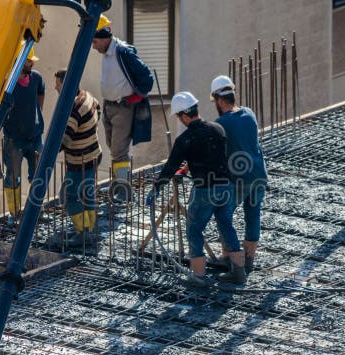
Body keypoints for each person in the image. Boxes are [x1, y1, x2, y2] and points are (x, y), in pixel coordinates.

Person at [148, 92, 245, 286]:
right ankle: (239, 273)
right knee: (226, 225)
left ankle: (198, 276)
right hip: (227, 187)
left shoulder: (185, 139)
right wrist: (188, 167)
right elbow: (212, 155)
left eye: (178, 117)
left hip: (205, 190)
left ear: (183, 115)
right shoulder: (218, 129)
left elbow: (170, 167)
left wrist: (157, 188)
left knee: (194, 230)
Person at [92, 14, 154, 202]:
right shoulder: (108, 52)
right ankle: (120, 184)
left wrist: (135, 97)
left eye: (95, 42)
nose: (93, 47)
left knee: (119, 150)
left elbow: (147, 78)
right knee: (115, 148)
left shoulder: (123, 52)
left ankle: (123, 191)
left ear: (104, 38)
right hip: (110, 106)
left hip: (122, 107)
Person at [210, 75, 268, 274]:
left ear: (219, 100)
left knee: (222, 213)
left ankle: (230, 258)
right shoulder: (249, 113)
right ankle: (249, 259)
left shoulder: (221, 123)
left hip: (240, 179)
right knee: (253, 213)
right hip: (259, 173)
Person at [52, 69, 102, 248]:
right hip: (94, 154)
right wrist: (89, 132)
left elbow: (66, 139)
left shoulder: (73, 109)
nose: (55, 87)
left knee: (68, 195)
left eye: (57, 84)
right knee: (87, 194)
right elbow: (99, 109)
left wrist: (47, 153)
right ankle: (89, 229)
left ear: (65, 86)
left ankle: (82, 233)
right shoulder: (87, 96)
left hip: (79, 160)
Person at [3, 42, 45, 219]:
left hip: (34, 136)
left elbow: (40, 95)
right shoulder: (8, 84)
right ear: (19, 61)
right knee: (13, 177)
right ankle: (15, 213)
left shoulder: (36, 78)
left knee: (38, 174)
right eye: (28, 61)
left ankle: (36, 211)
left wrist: (35, 116)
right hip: (14, 139)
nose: (32, 64)